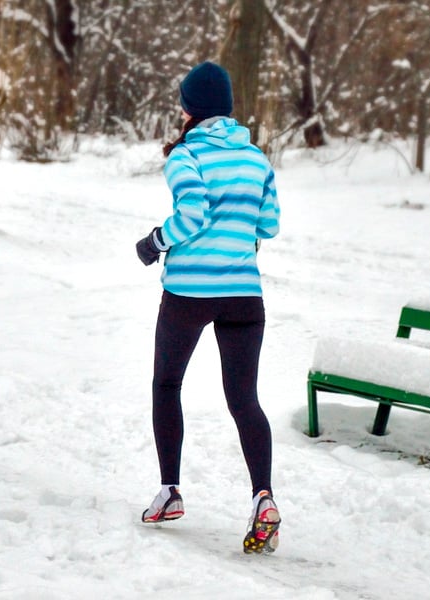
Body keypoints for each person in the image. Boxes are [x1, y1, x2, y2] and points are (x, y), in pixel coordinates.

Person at [133, 61, 283, 554]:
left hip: (189, 293)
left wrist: (155, 242)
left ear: (189, 108)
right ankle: (263, 498)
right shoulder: (258, 160)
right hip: (244, 293)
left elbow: (192, 214)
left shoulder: (184, 157)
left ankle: (170, 491)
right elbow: (268, 227)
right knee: (244, 400)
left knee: (167, 383)